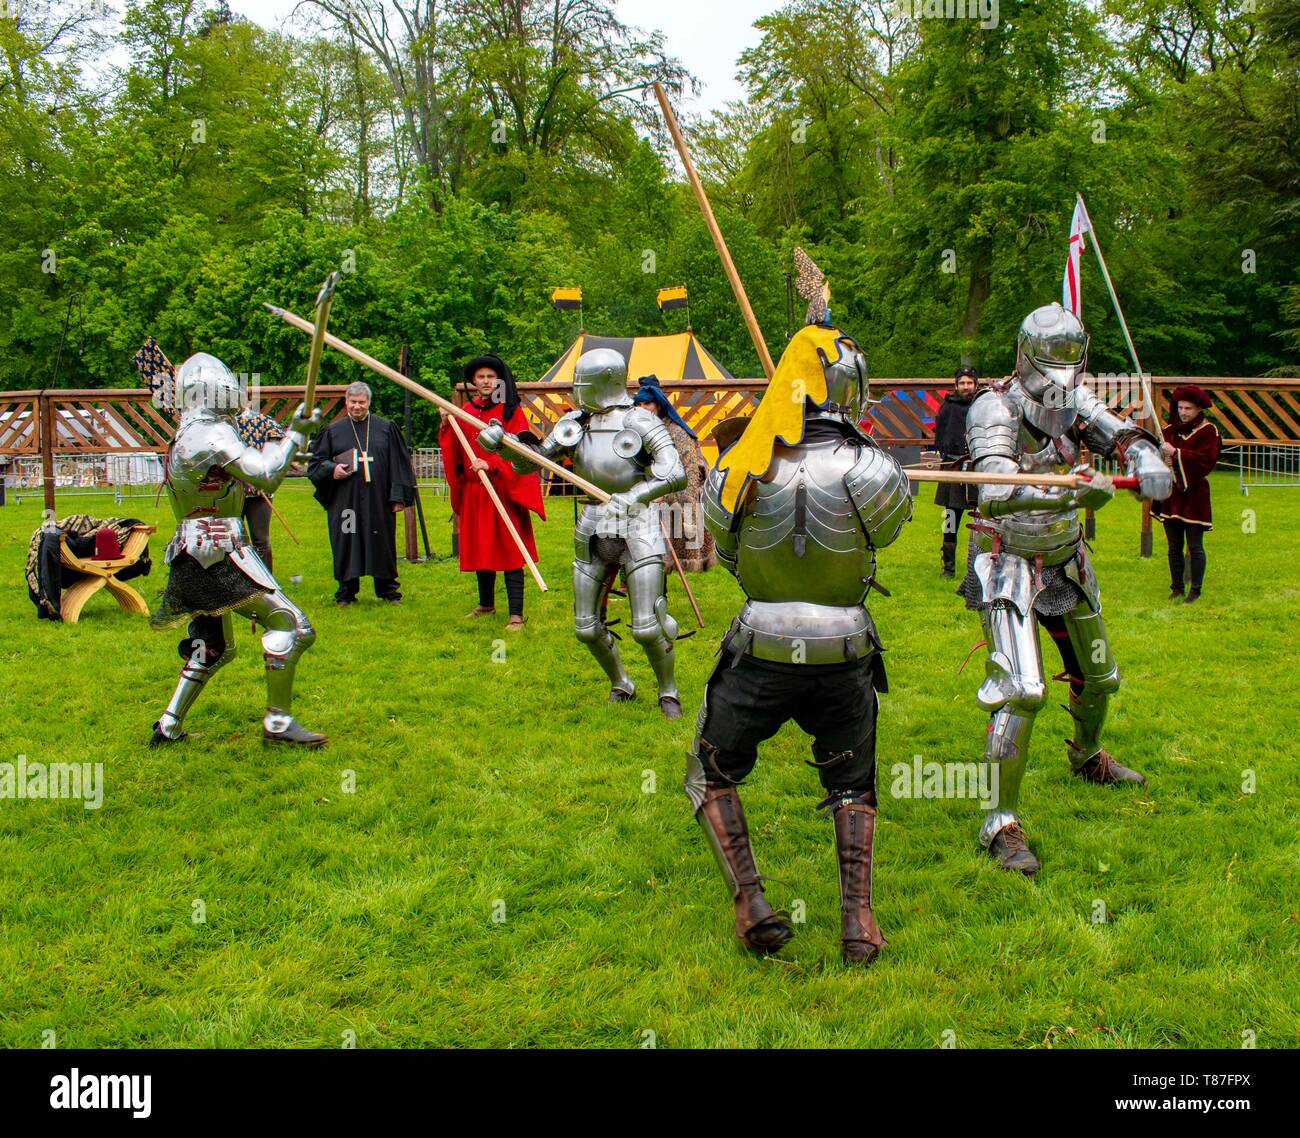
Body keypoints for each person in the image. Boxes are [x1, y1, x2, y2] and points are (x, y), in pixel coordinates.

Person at [689, 251, 912, 964]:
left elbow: (725, 550)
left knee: (711, 771)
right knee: (852, 782)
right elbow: (888, 533)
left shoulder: (739, 466)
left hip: (759, 644)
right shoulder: (872, 467)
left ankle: (750, 902)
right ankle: (858, 922)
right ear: (850, 387)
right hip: (844, 648)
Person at [959, 303, 1172, 875]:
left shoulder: (1075, 401)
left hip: (1066, 557)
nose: (1059, 377)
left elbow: (1120, 433)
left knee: (1101, 677)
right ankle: (999, 821)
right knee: (1023, 690)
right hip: (1007, 558)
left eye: (1068, 363)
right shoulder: (994, 407)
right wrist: (1073, 493)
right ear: (1025, 355)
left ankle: (1086, 755)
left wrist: (1145, 456)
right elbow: (994, 491)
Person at [479, 349, 687, 719]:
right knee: (586, 627)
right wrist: (505, 446)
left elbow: (675, 472)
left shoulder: (641, 420)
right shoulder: (576, 422)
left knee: (646, 627)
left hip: (637, 523)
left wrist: (635, 495)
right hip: (592, 526)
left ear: (605, 382)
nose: (578, 391)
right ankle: (622, 682)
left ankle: (668, 691)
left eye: (584, 384)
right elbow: (534, 461)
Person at [148, 353, 326, 746]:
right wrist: (295, 433)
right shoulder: (211, 433)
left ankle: (169, 725)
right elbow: (265, 475)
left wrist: (292, 438)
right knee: (293, 627)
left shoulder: (185, 433)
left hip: (190, 549)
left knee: (213, 647)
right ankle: (278, 723)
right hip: (219, 549)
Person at [441, 355, 545, 629]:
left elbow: (521, 451)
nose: (486, 381)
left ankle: (516, 614)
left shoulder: (510, 411)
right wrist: (447, 423)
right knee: (482, 548)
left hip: (503, 490)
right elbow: (454, 448)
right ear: (474, 382)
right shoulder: (465, 411)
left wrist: (492, 464)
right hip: (476, 492)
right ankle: (486, 604)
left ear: (498, 381)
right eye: (481, 377)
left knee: (511, 549)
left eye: (490, 377)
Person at [307, 382, 416, 605]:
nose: (357, 406)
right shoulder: (332, 431)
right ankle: (346, 592)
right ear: (346, 402)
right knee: (347, 540)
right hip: (345, 500)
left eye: (361, 402)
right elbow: (316, 464)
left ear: (369, 403)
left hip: (379, 499)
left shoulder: (386, 428)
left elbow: (399, 464)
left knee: (382, 542)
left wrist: (398, 497)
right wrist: (332, 470)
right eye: (353, 402)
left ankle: (388, 591)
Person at [632, 375, 717, 573]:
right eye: (639, 404)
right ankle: (629, 578)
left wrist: (666, 495)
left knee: (661, 546)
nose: (643, 408)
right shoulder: (635, 429)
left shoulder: (676, 432)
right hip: (643, 491)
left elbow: (690, 472)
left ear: (658, 405)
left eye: (647, 404)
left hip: (673, 494)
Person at [1152, 384, 1221, 604]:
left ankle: (1195, 591)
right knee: (1173, 546)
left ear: (1199, 408)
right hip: (1171, 494)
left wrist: (1176, 453)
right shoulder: (1169, 431)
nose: (1183, 412)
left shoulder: (1209, 432)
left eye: (1188, 408)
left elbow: (1205, 461)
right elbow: (1156, 457)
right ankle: (1177, 588)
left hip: (1194, 495)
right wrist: (1161, 457)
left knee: (1194, 545)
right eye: (1180, 407)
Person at [931, 365, 980, 578]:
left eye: (969, 383)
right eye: (962, 383)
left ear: (976, 385)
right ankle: (948, 568)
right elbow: (942, 435)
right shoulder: (948, 407)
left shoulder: (983, 405)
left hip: (979, 468)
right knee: (950, 517)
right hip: (953, 466)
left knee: (984, 518)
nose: (965, 386)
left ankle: (981, 565)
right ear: (956, 385)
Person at [235, 408, 285, 572]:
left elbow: (277, 456)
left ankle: (265, 581)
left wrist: (263, 473)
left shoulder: (265, 422)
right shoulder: (221, 424)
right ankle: (237, 582)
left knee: (261, 540)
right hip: (230, 493)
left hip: (258, 493)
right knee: (233, 541)